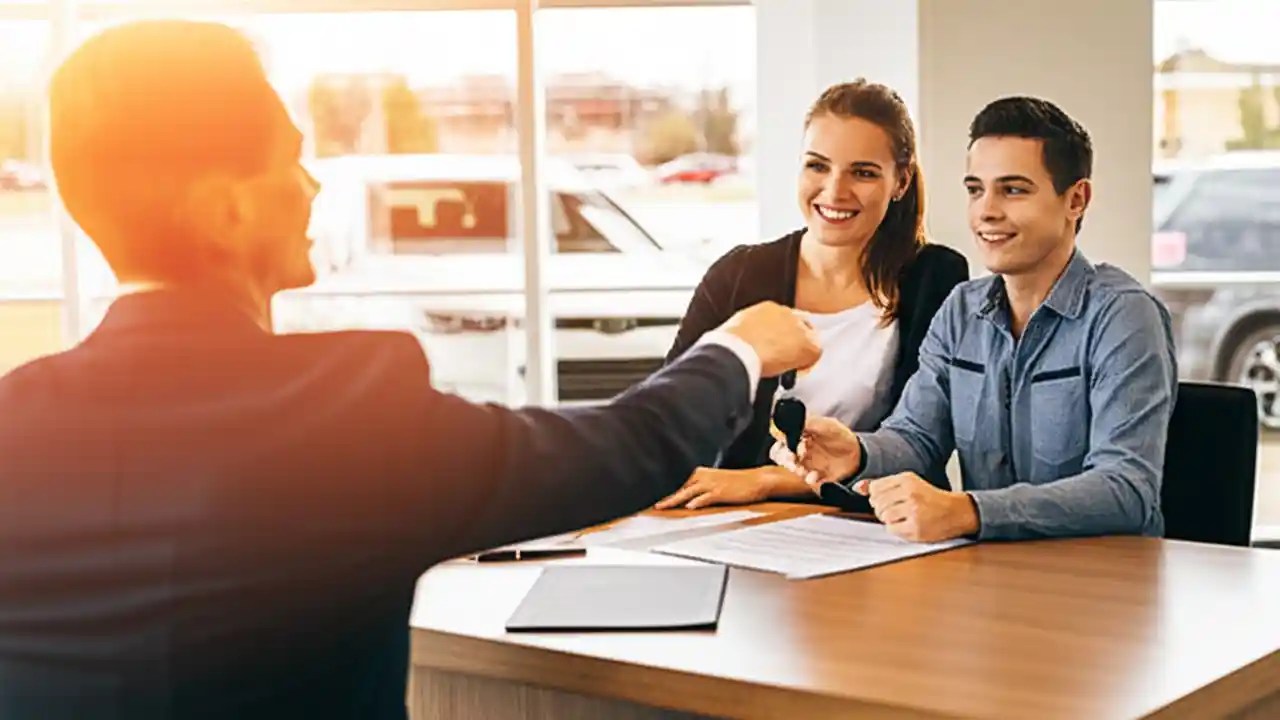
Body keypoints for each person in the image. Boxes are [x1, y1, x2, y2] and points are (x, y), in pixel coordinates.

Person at [0, 21, 821, 720]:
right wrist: (741, 345)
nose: (314, 184)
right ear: (227, 211)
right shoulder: (341, 407)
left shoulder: (14, 420)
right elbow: (621, 451)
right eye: (289, 160)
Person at [776, 96, 1178, 543]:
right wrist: (857, 451)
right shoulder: (960, 310)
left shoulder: (1123, 316)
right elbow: (916, 439)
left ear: (1076, 200)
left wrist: (970, 511)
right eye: (975, 189)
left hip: (1103, 586)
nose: (985, 211)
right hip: (992, 578)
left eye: (1013, 190)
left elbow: (1126, 489)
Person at [656, 79, 967, 511]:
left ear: (901, 181)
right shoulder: (739, 274)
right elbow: (669, 418)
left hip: (871, 527)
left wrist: (766, 481)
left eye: (863, 172)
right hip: (735, 526)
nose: (835, 191)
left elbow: (921, 451)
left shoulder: (936, 278)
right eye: (817, 166)